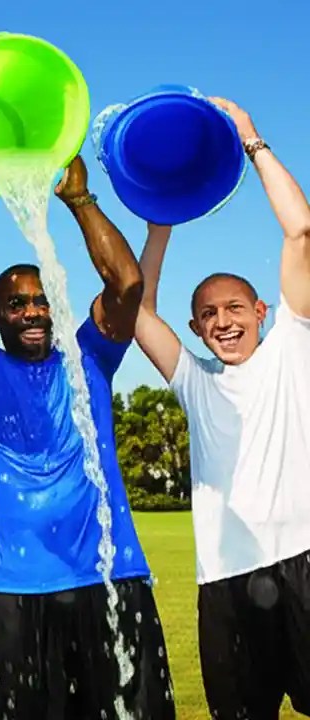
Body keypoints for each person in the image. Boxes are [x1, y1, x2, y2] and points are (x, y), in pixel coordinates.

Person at [0, 131, 174, 719]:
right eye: (16, 303)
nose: (33, 310)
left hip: (114, 577)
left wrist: (80, 200)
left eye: (40, 300)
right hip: (16, 592)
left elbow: (128, 285)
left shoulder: (89, 356)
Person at [133, 97, 310, 719]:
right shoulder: (196, 381)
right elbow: (137, 313)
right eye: (208, 314)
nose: (222, 321)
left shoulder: (294, 341)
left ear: (261, 310)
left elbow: (300, 231)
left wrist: (252, 140)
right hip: (226, 582)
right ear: (196, 327)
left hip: (305, 560)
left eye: (234, 308)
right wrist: (159, 222)